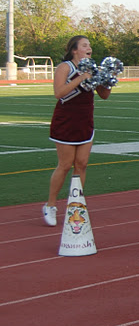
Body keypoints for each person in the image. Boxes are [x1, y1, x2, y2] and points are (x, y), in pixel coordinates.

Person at [43, 35, 112, 226]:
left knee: (81, 164)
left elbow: (104, 95)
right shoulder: (65, 67)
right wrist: (82, 77)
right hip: (66, 121)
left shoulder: (93, 68)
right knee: (65, 164)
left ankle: (75, 205)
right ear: (75, 50)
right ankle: (50, 205)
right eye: (85, 45)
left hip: (85, 121)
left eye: (89, 45)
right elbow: (59, 92)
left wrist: (108, 79)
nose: (89, 48)